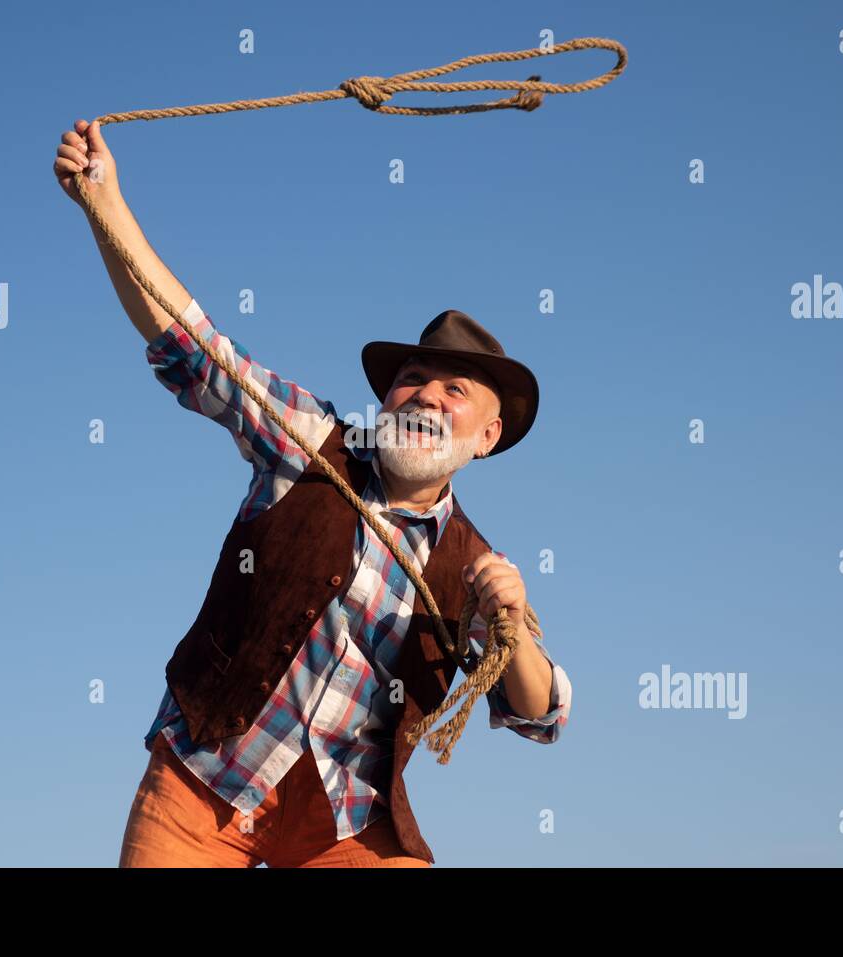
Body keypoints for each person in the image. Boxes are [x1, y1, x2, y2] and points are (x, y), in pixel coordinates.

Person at [53, 119, 572, 867]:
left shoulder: (472, 568)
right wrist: (106, 206)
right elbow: (195, 347)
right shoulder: (313, 443)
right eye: (411, 380)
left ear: (487, 435)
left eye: (454, 389)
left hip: (345, 817)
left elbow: (540, 713)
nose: (425, 396)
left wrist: (513, 630)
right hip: (206, 773)